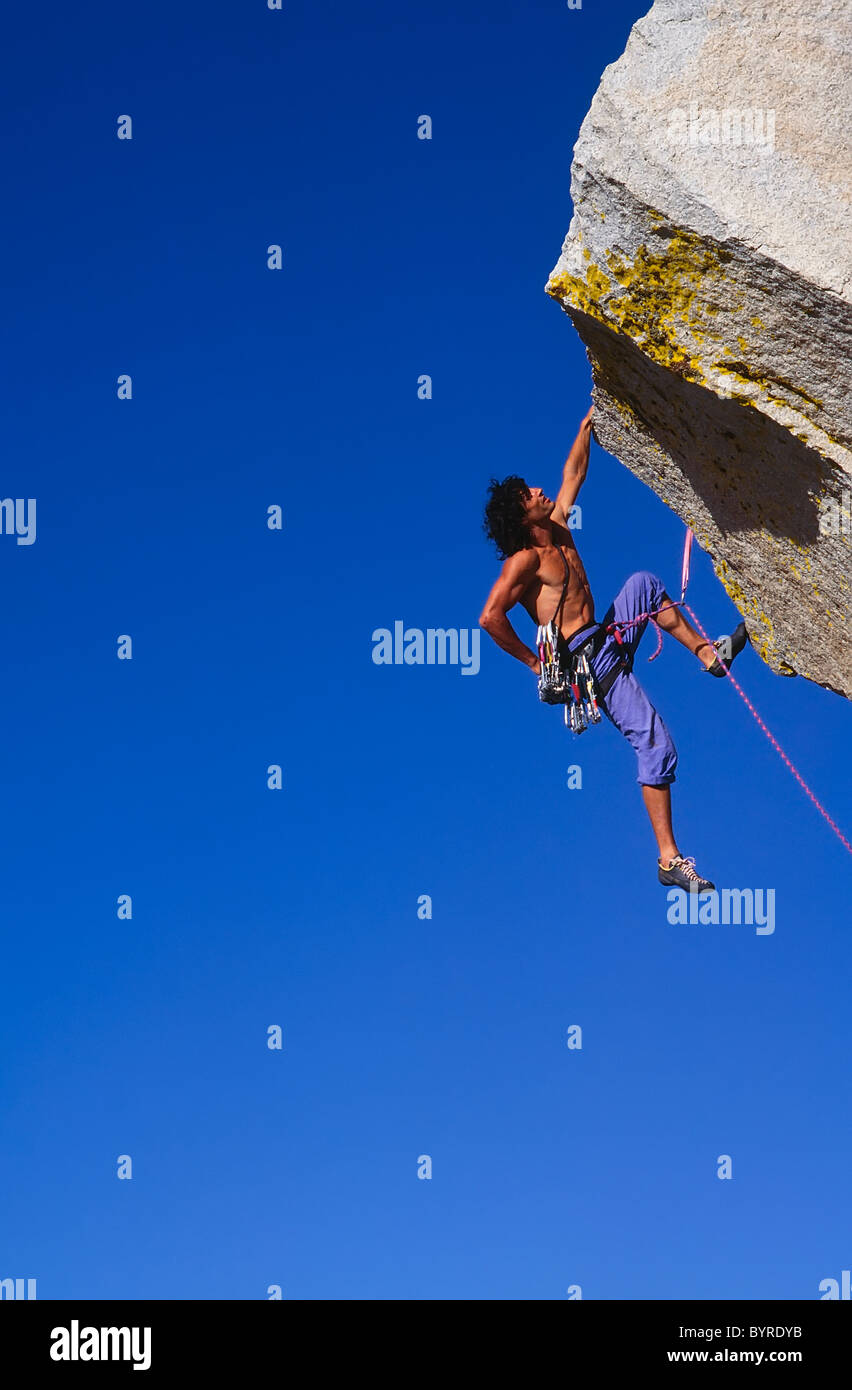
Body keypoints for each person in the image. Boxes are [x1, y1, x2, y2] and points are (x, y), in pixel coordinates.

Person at [478, 406, 748, 891]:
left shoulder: (559, 526)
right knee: (656, 743)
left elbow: (574, 472)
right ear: (521, 514)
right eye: (529, 495)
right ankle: (669, 859)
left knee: (643, 584)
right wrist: (536, 663)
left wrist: (585, 425)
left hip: (607, 637)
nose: (539, 492)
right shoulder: (524, 561)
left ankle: (711, 655)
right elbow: (489, 617)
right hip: (589, 666)